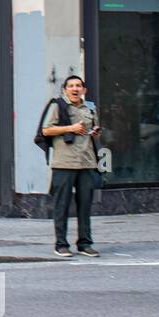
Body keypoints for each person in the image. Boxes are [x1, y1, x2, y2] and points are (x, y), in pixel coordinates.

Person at [40, 75, 101, 258]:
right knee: (62, 206)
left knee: (85, 206)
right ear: (65, 90)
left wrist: (95, 132)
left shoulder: (90, 107)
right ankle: (61, 244)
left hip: (86, 162)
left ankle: (85, 244)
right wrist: (70, 128)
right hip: (64, 163)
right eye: (71, 86)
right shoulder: (57, 105)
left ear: (84, 90)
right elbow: (46, 130)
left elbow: (94, 130)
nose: (75, 89)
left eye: (78, 86)